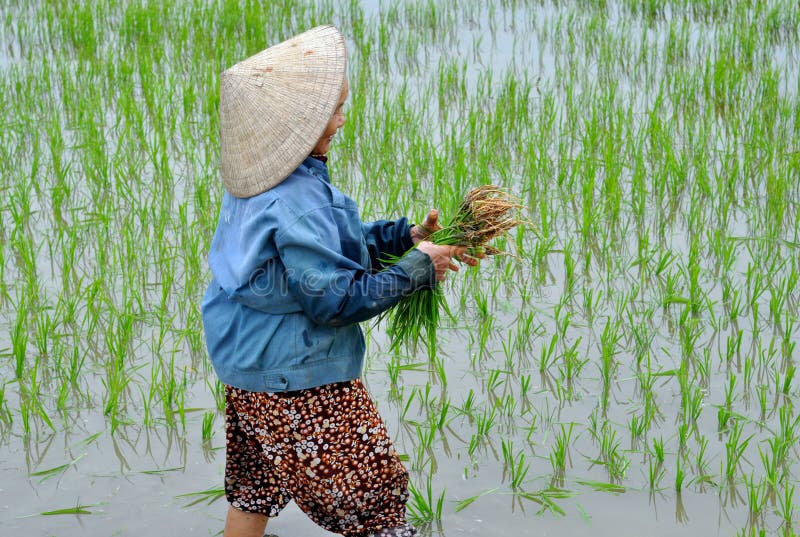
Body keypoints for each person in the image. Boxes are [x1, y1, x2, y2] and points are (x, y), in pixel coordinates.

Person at [201, 26, 479, 537]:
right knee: (375, 506)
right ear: (296, 125)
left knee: (253, 489)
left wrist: (406, 237)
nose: (342, 118)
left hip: (247, 372)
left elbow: (321, 253)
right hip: (297, 381)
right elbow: (333, 301)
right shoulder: (296, 200)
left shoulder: (258, 184)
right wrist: (418, 267)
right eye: (334, 110)